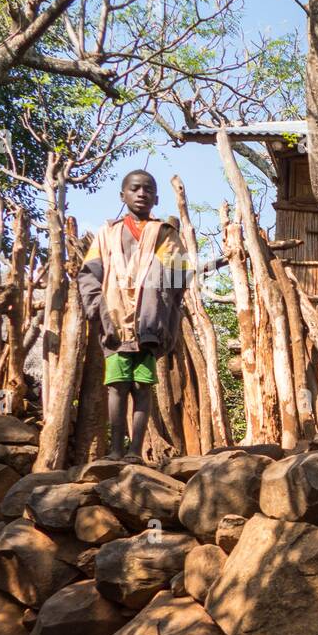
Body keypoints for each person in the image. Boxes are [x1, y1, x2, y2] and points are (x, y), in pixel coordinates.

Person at [77, 170, 188, 461]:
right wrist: (97, 312)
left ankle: (134, 451)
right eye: (135, 189)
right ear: (122, 195)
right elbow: (89, 276)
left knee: (142, 386)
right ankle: (115, 450)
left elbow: (177, 278)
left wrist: (161, 313)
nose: (142, 194)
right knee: (117, 386)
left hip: (149, 326)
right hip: (113, 320)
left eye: (148, 190)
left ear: (156, 198)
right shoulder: (107, 234)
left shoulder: (166, 233)